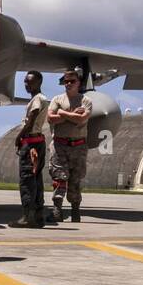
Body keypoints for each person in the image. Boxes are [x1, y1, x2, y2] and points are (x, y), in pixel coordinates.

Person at [47, 67, 93, 223]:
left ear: (78, 83)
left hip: (78, 146)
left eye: (72, 81)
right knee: (59, 178)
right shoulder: (57, 100)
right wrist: (73, 115)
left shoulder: (85, 101)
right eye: (65, 82)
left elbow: (82, 120)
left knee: (75, 179)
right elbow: (51, 119)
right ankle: (57, 210)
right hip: (60, 144)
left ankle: (75, 211)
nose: (68, 84)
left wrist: (63, 113)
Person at [10, 70, 48, 228]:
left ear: (39, 82)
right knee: (36, 180)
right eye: (25, 81)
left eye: (29, 82)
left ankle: (28, 216)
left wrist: (19, 137)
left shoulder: (37, 100)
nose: (26, 84)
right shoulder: (42, 98)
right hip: (38, 142)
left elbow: (30, 122)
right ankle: (38, 215)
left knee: (26, 180)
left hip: (31, 143)